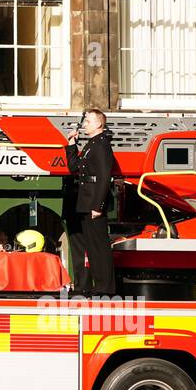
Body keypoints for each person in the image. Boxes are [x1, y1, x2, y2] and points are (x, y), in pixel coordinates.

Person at [64, 108, 116, 297]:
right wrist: (71, 144)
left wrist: (98, 206)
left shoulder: (102, 145)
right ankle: (100, 286)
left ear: (98, 124)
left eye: (88, 121)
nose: (84, 124)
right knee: (92, 247)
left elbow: (104, 177)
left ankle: (105, 287)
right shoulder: (91, 145)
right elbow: (74, 167)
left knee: (99, 246)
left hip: (94, 203)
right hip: (87, 201)